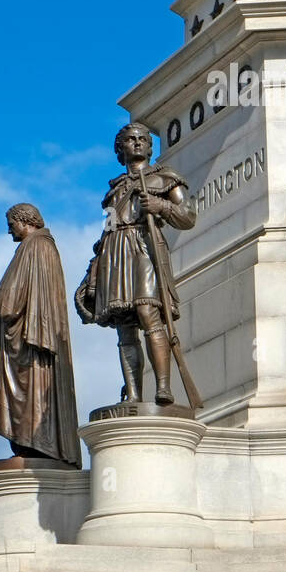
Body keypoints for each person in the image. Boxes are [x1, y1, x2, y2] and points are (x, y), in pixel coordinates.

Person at [74, 123, 195, 406]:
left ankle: (163, 387)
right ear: (120, 149)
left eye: (143, 139)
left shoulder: (165, 178)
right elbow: (108, 230)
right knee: (124, 324)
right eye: (130, 139)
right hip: (116, 252)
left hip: (145, 246)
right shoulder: (115, 190)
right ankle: (133, 393)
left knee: (147, 310)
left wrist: (161, 207)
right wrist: (94, 269)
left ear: (150, 147)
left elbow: (188, 216)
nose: (137, 143)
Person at [0, 203, 81, 467]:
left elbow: (11, 300)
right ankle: (31, 443)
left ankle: (36, 443)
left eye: (11, 225)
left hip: (30, 342)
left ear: (24, 221)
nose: (9, 231)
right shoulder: (41, 247)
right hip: (29, 337)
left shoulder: (34, 247)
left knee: (32, 386)